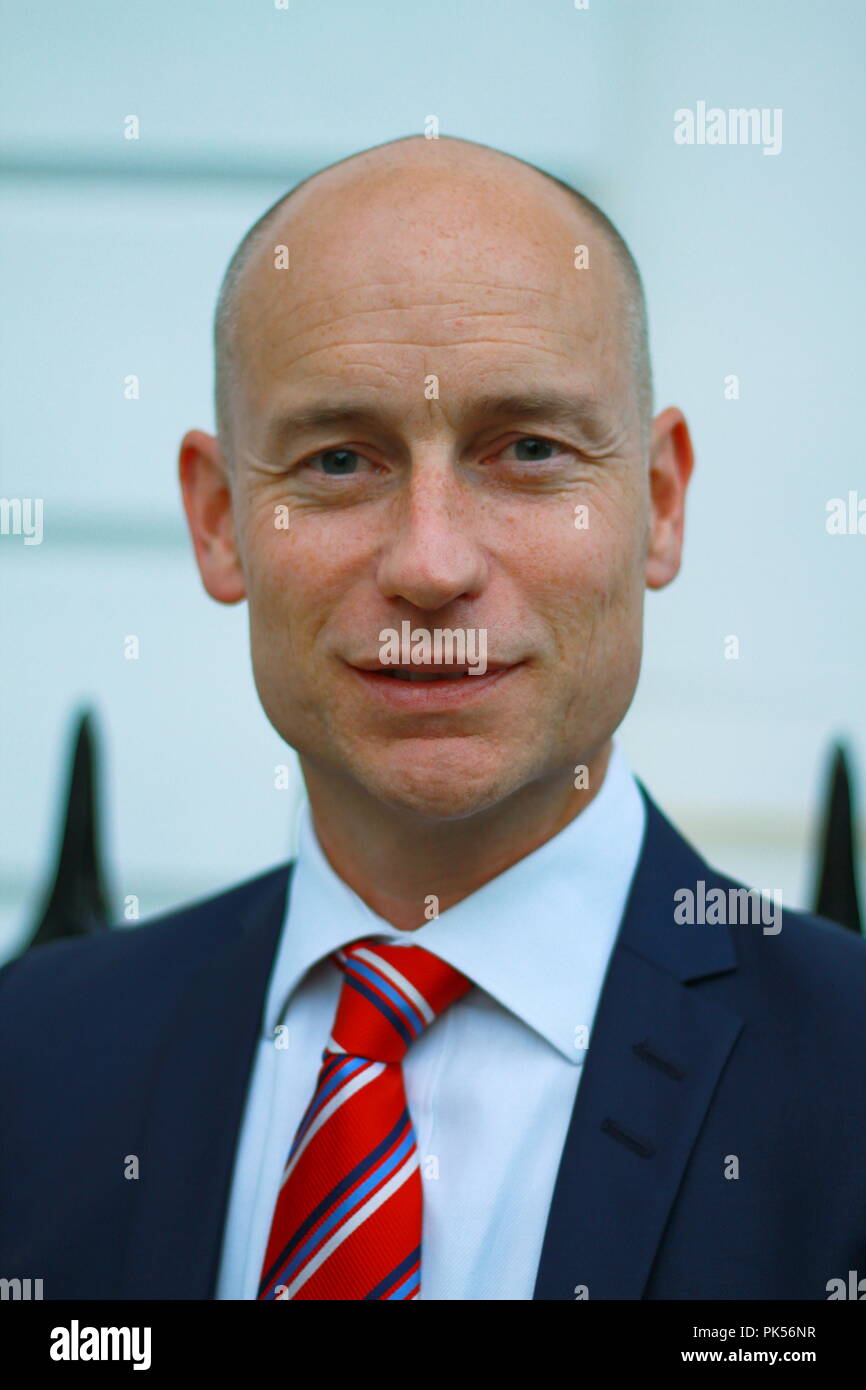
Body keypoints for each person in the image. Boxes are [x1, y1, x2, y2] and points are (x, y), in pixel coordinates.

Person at [2, 135, 865, 1301]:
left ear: (656, 503)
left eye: (526, 450)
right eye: (340, 459)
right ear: (217, 521)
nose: (431, 561)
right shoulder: (32, 1062)